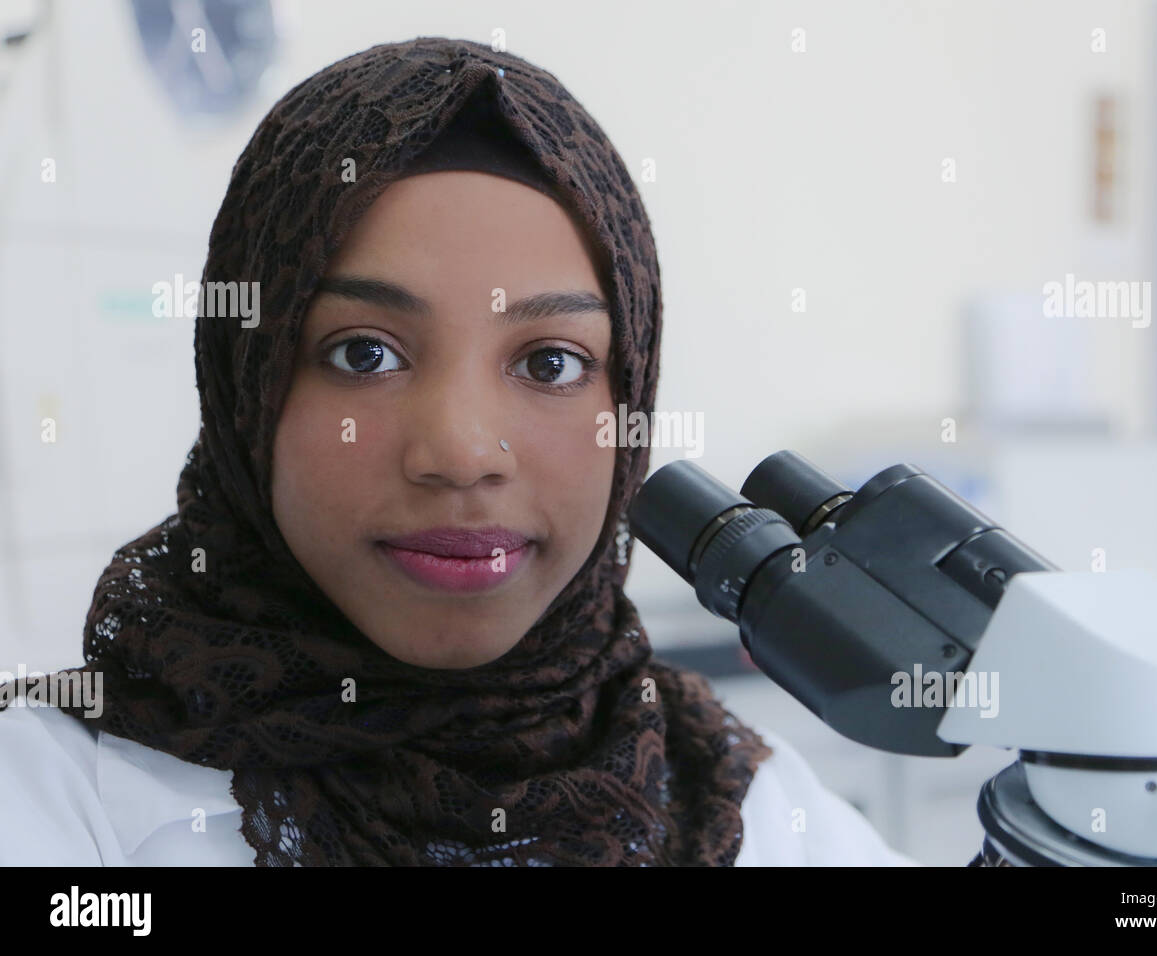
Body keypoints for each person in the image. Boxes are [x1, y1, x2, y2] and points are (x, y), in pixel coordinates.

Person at [0, 36, 917, 867]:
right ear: (249, 387)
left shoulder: (753, 804)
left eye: (551, 362)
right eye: (365, 354)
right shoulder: (53, 800)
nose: (463, 452)